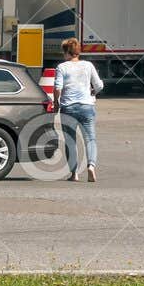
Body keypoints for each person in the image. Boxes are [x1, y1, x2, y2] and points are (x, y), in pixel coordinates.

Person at [54, 37, 103, 182]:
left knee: (70, 141)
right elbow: (99, 85)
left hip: (68, 108)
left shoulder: (62, 67)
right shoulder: (88, 65)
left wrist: (56, 102)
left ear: (66, 52)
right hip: (87, 107)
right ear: (77, 51)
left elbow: (57, 88)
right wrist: (92, 93)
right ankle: (91, 166)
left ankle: (74, 173)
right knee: (90, 139)